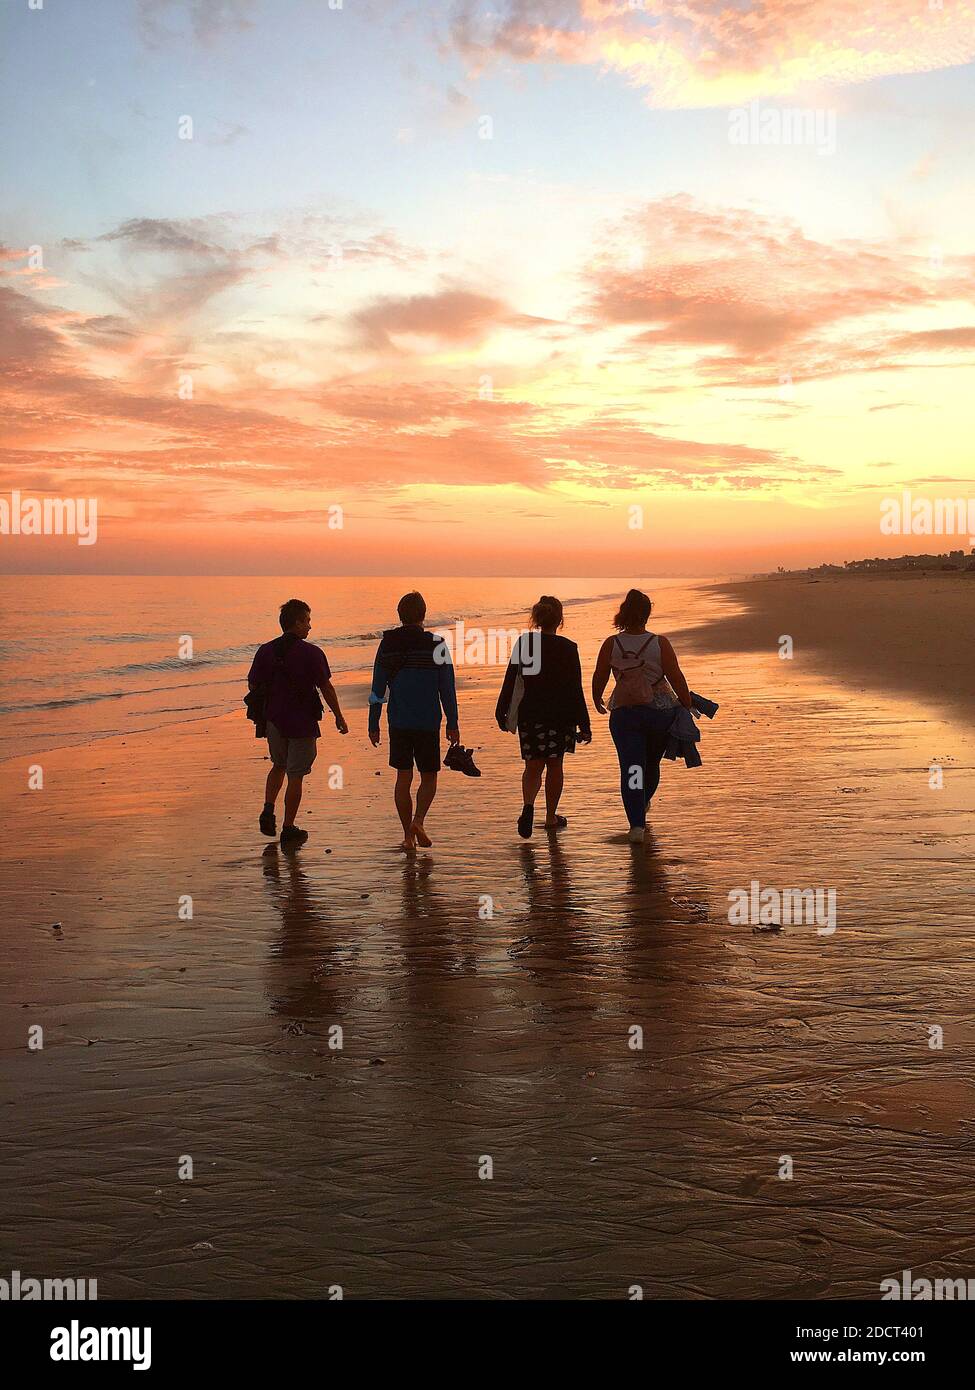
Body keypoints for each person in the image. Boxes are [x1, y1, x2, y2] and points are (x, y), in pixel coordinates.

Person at [591, 588, 692, 844]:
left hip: (625, 713)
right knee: (651, 764)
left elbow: (600, 674)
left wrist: (596, 699)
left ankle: (636, 825)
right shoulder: (660, 643)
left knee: (631, 767)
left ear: (623, 613)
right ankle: (643, 801)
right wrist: (687, 703)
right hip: (659, 713)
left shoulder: (612, 644)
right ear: (647, 614)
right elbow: (675, 676)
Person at [247, 598, 348, 848]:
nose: (310, 627)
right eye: (307, 621)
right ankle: (288, 827)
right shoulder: (312, 653)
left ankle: (268, 809)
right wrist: (338, 716)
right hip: (302, 721)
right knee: (295, 775)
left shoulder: (265, 650)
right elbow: (326, 687)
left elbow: (253, 685)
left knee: (278, 765)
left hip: (273, 720)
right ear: (297, 622)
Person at [368, 591, 460, 852]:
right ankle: (418, 821)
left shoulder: (387, 644)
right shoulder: (437, 644)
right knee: (429, 776)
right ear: (423, 614)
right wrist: (452, 722)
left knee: (403, 777)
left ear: (400, 615)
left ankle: (407, 836)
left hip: (398, 721)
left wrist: (373, 723)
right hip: (428, 721)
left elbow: (377, 688)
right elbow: (447, 688)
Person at [495, 595, 591, 839]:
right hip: (561, 715)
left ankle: (528, 806)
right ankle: (550, 816)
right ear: (560, 620)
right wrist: (585, 723)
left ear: (536, 619)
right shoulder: (569, 648)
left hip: (531, 714)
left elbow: (511, 679)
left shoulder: (525, 643)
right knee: (555, 764)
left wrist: (501, 709)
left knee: (533, 766)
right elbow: (575, 688)